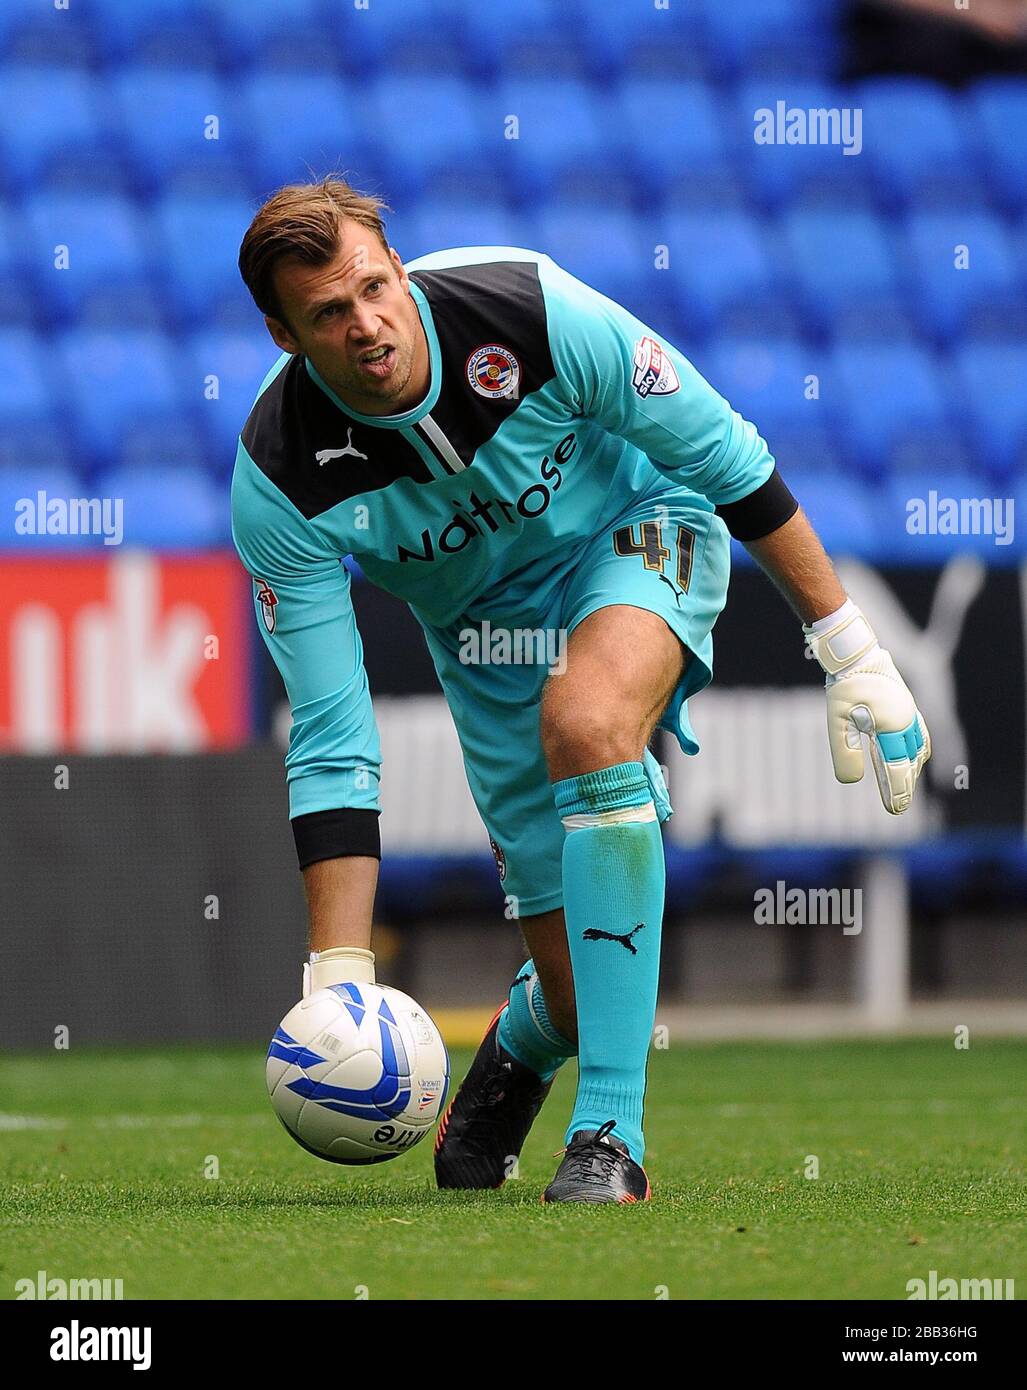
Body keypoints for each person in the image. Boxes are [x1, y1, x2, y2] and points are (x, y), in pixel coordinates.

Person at [232, 175, 930, 1204]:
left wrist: (848, 644)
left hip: (642, 527)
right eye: (330, 314)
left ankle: (609, 1136)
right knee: (576, 986)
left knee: (590, 718)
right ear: (284, 336)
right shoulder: (280, 480)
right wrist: (337, 971)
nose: (369, 324)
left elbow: (724, 453)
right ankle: (528, 1033)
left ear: (394, 261)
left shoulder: (530, 309)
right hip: (484, 644)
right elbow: (333, 738)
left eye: (374, 286)